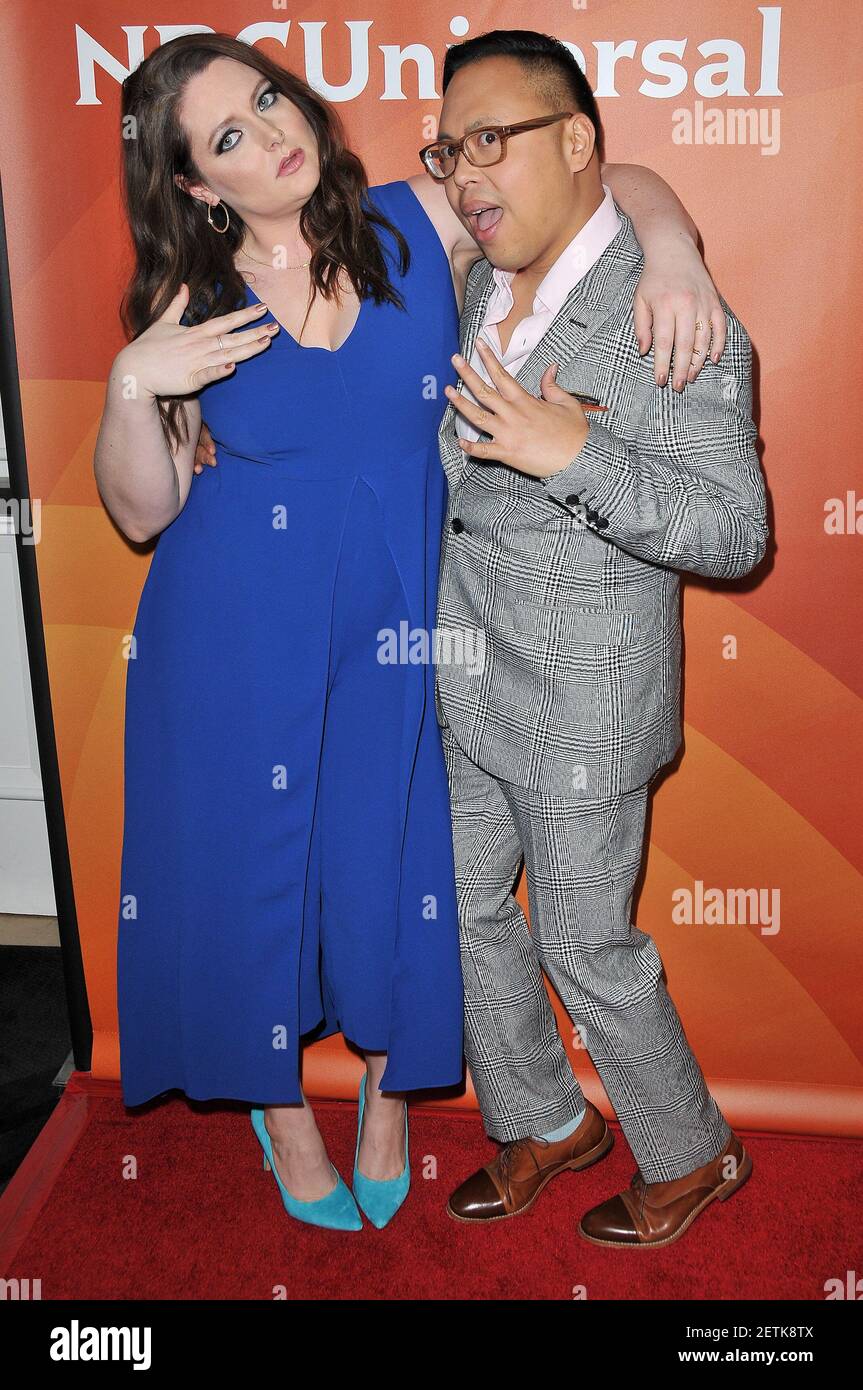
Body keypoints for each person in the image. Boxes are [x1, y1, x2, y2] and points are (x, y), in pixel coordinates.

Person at [95, 31, 728, 1234]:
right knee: (244, 876)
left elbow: (594, 185)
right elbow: (143, 512)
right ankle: (277, 1113)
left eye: (268, 99)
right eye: (228, 136)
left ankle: (387, 1100)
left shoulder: (406, 223)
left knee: (395, 865)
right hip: (230, 634)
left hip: (404, 620)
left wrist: (675, 253)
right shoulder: (187, 303)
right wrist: (135, 380)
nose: (273, 134)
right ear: (191, 186)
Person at [428, 29, 768, 1246]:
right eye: (448, 148)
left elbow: (735, 531)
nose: (465, 175)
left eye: (492, 140)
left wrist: (577, 451)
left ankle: (691, 1150)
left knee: (582, 938)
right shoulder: (479, 278)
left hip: (585, 700)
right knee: (466, 910)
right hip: (467, 675)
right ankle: (543, 1120)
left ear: (575, 141)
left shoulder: (668, 312)